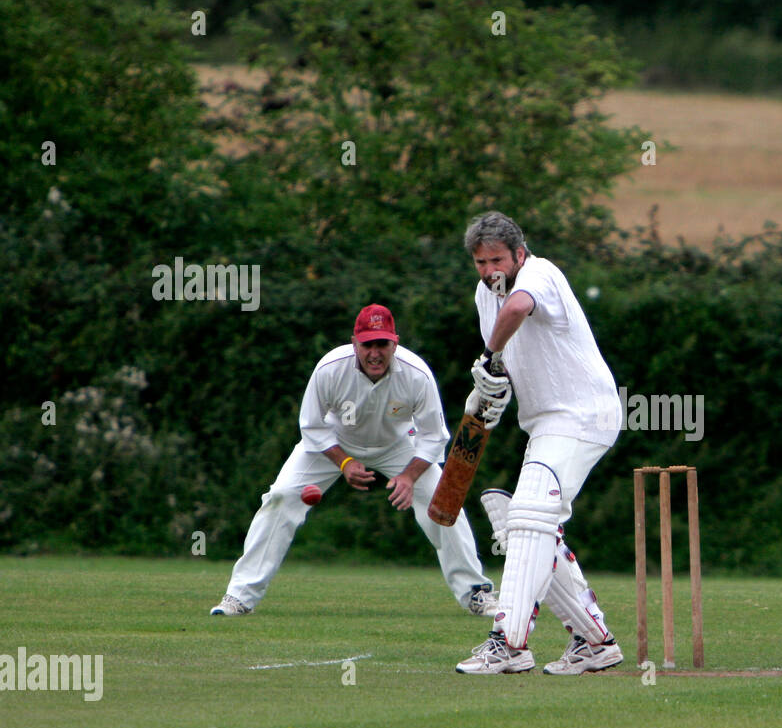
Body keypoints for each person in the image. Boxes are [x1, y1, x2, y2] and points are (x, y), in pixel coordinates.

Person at [210, 304, 498, 618]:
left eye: (382, 344)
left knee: (442, 502)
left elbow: (433, 436)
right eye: (367, 345)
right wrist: (344, 462)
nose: (375, 353)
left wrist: (408, 477)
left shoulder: (417, 375)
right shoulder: (330, 369)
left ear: (395, 343)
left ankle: (475, 593)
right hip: (335, 442)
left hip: (398, 444)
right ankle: (240, 596)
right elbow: (312, 426)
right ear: (354, 343)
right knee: (282, 496)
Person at [450, 211, 624, 675]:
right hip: (544, 423)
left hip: (585, 413)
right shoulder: (484, 295)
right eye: (481, 262)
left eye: (498, 260)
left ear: (519, 254)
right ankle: (594, 641)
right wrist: (487, 388)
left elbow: (516, 311)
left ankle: (508, 643)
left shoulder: (539, 274)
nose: (490, 271)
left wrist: (486, 357)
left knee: (528, 516)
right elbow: (505, 370)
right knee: (530, 525)